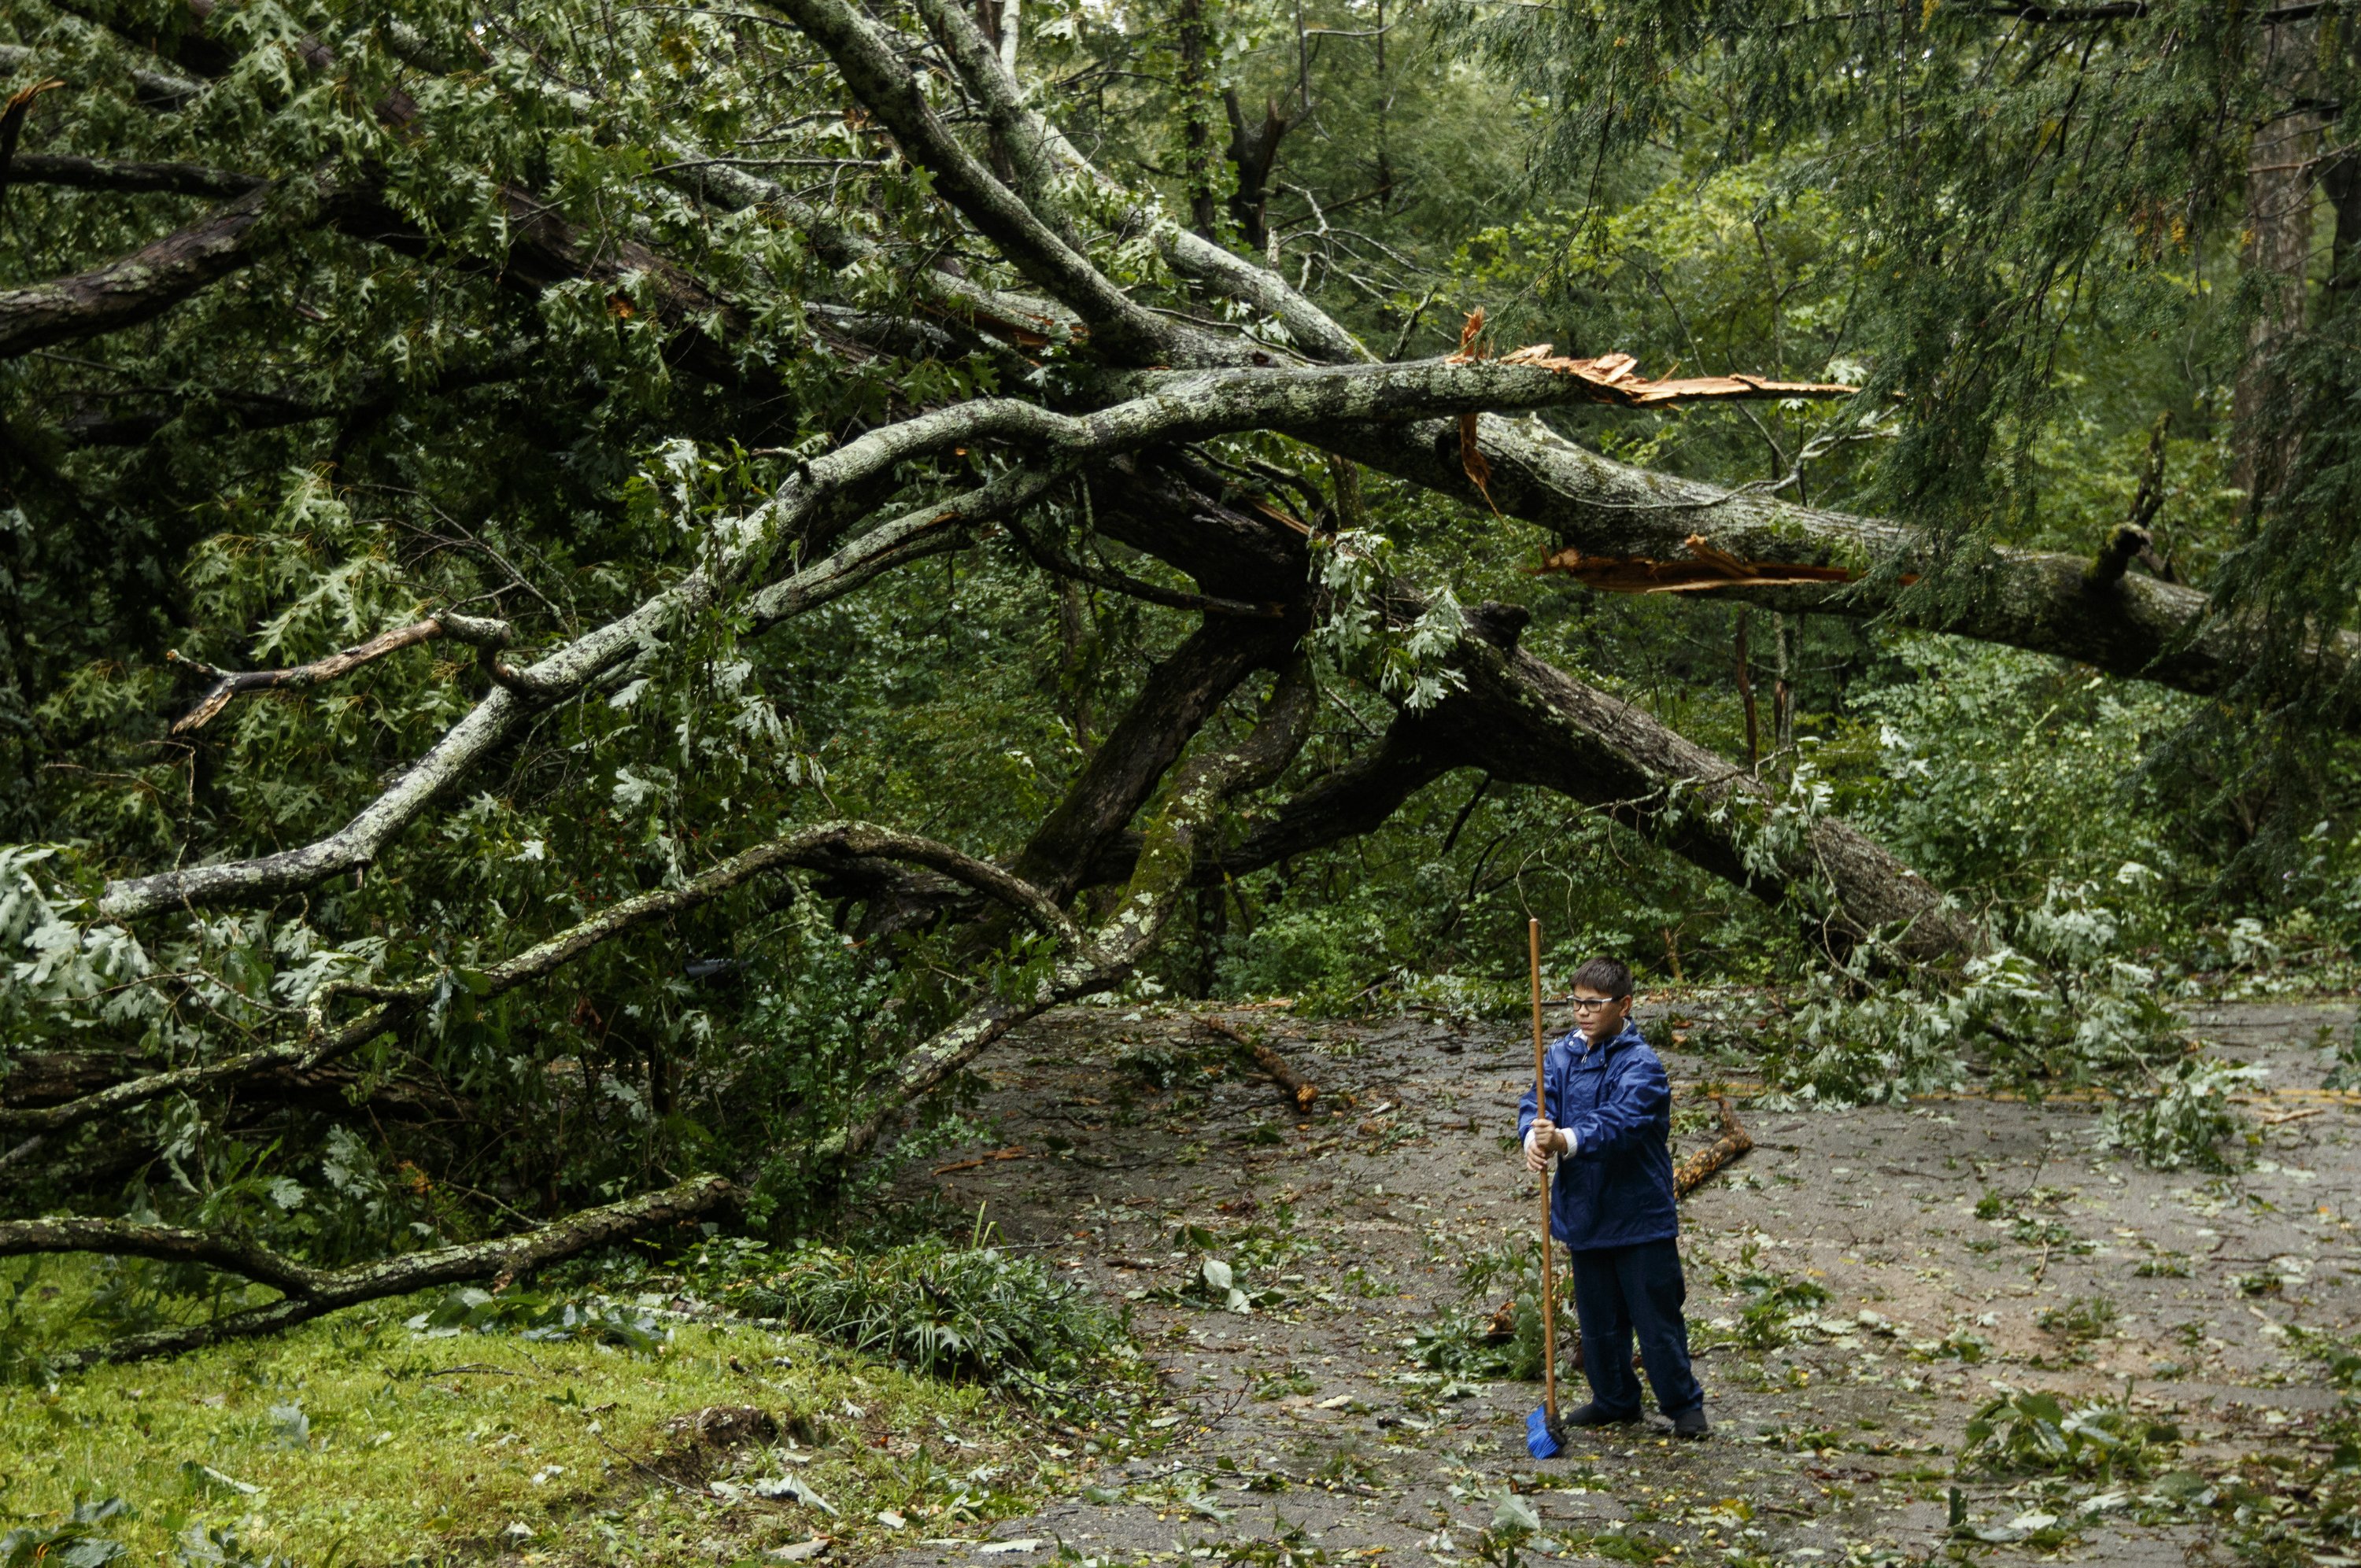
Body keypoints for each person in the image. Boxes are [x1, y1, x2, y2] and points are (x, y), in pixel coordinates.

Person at [1517, 956, 1708, 1438]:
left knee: (1655, 1314)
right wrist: (1532, 1139)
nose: (1581, 1012)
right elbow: (1537, 1103)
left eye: (1593, 1004)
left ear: (1623, 1006)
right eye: (1575, 1002)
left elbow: (1621, 1123)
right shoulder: (1560, 1055)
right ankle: (1615, 1399)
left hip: (1639, 1213)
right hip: (1585, 1210)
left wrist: (1564, 1140)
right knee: (1598, 1317)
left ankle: (1684, 1407)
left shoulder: (1641, 1064)